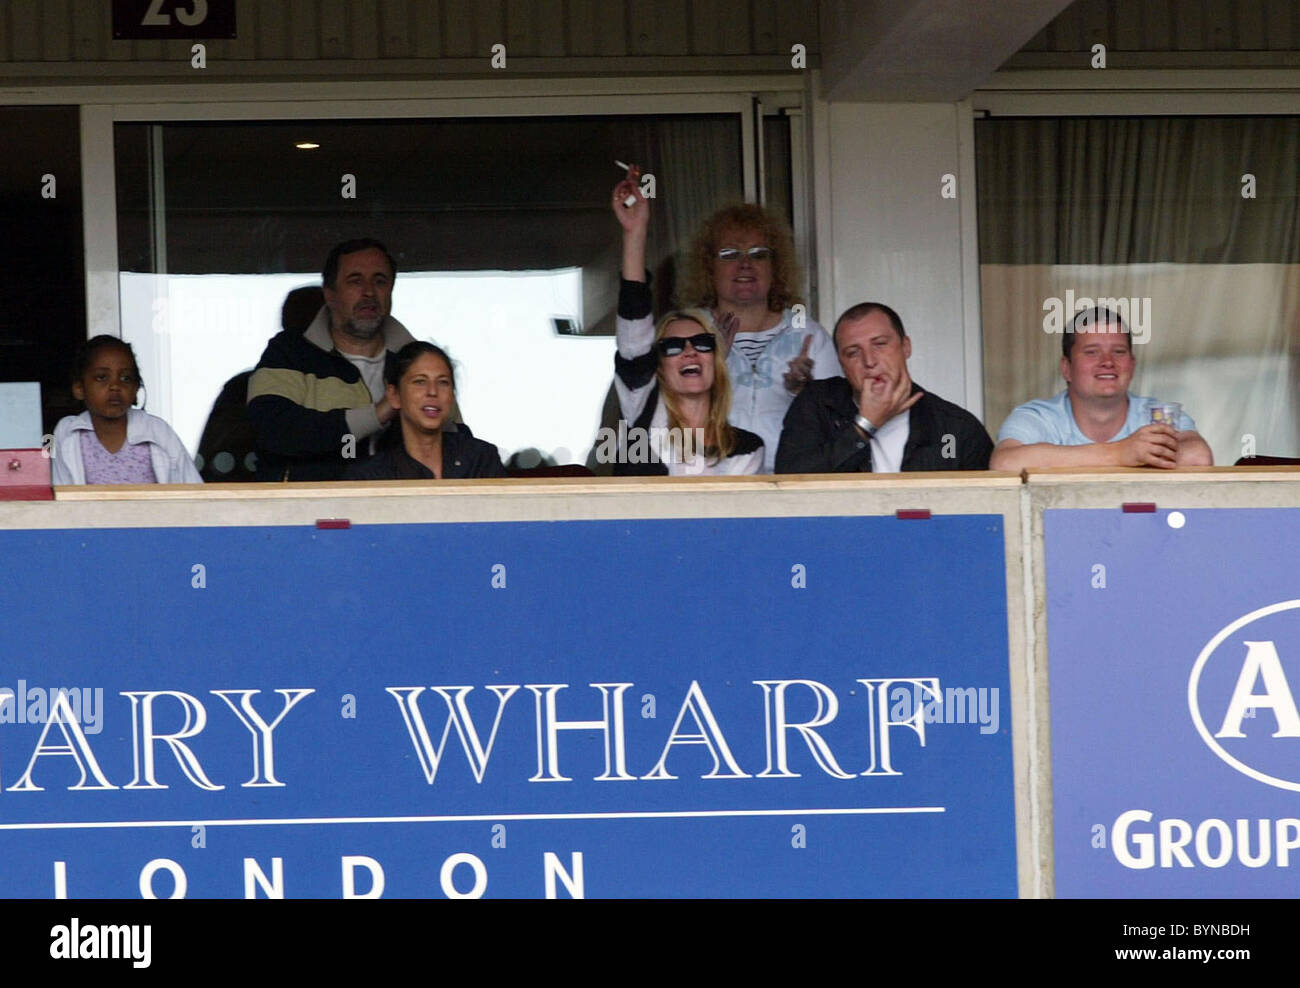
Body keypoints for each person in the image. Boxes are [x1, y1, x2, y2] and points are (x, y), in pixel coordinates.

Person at [617, 166, 835, 471]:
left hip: (790, 491)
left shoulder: (807, 333)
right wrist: (634, 233)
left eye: (759, 254)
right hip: (701, 483)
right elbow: (634, 347)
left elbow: (839, 432)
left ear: (777, 264)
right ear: (708, 266)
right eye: (730, 254)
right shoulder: (686, 334)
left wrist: (806, 396)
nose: (745, 264)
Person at [610, 176, 764, 476]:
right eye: (673, 346)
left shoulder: (748, 448)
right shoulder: (644, 414)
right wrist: (635, 232)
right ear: (657, 368)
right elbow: (633, 328)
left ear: (716, 361)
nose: (690, 351)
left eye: (703, 343)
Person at [247, 239, 415, 481]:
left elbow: (455, 444)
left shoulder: (417, 360)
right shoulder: (290, 353)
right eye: (355, 281)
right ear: (330, 294)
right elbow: (273, 432)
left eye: (380, 281)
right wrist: (376, 415)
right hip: (309, 512)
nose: (369, 292)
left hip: (407, 513)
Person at [775, 302, 993, 473]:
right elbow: (791, 483)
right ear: (841, 364)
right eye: (853, 352)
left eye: (880, 344)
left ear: (905, 347)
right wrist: (864, 427)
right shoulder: (817, 405)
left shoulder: (955, 428)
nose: (869, 361)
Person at [990, 306, 1213, 470]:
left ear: (1132, 365)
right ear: (1066, 368)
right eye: (1092, 352)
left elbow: (1198, 457)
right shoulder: (1040, 417)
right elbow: (1004, 463)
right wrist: (1119, 454)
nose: (1107, 361)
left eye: (1118, 351)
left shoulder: (1158, 415)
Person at [51, 335, 202, 485]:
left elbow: (194, 493)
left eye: (125, 378)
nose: (115, 386)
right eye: (102, 377)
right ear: (79, 389)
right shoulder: (67, 432)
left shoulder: (158, 431)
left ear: (136, 389)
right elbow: (58, 497)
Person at [345, 342, 507, 480]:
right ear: (394, 395)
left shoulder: (481, 460)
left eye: (443, 382)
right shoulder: (371, 477)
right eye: (420, 381)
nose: (432, 391)